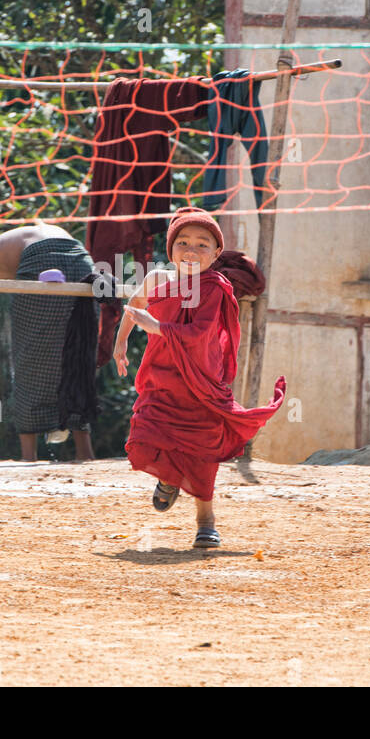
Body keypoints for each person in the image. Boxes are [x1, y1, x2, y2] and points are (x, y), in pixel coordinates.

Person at [114, 208, 286, 549]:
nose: (191, 251)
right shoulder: (157, 281)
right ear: (170, 247)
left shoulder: (215, 288)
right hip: (162, 380)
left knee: (202, 454)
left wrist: (158, 327)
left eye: (202, 245)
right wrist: (120, 345)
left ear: (217, 253)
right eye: (183, 242)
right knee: (146, 434)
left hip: (201, 384)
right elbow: (134, 307)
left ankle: (205, 522)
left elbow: (201, 331)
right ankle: (168, 478)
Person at [0, 223, 97, 461]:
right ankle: (85, 452)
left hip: (42, 258)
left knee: (26, 356)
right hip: (83, 260)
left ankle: (28, 456)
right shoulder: (9, 247)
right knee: (76, 353)